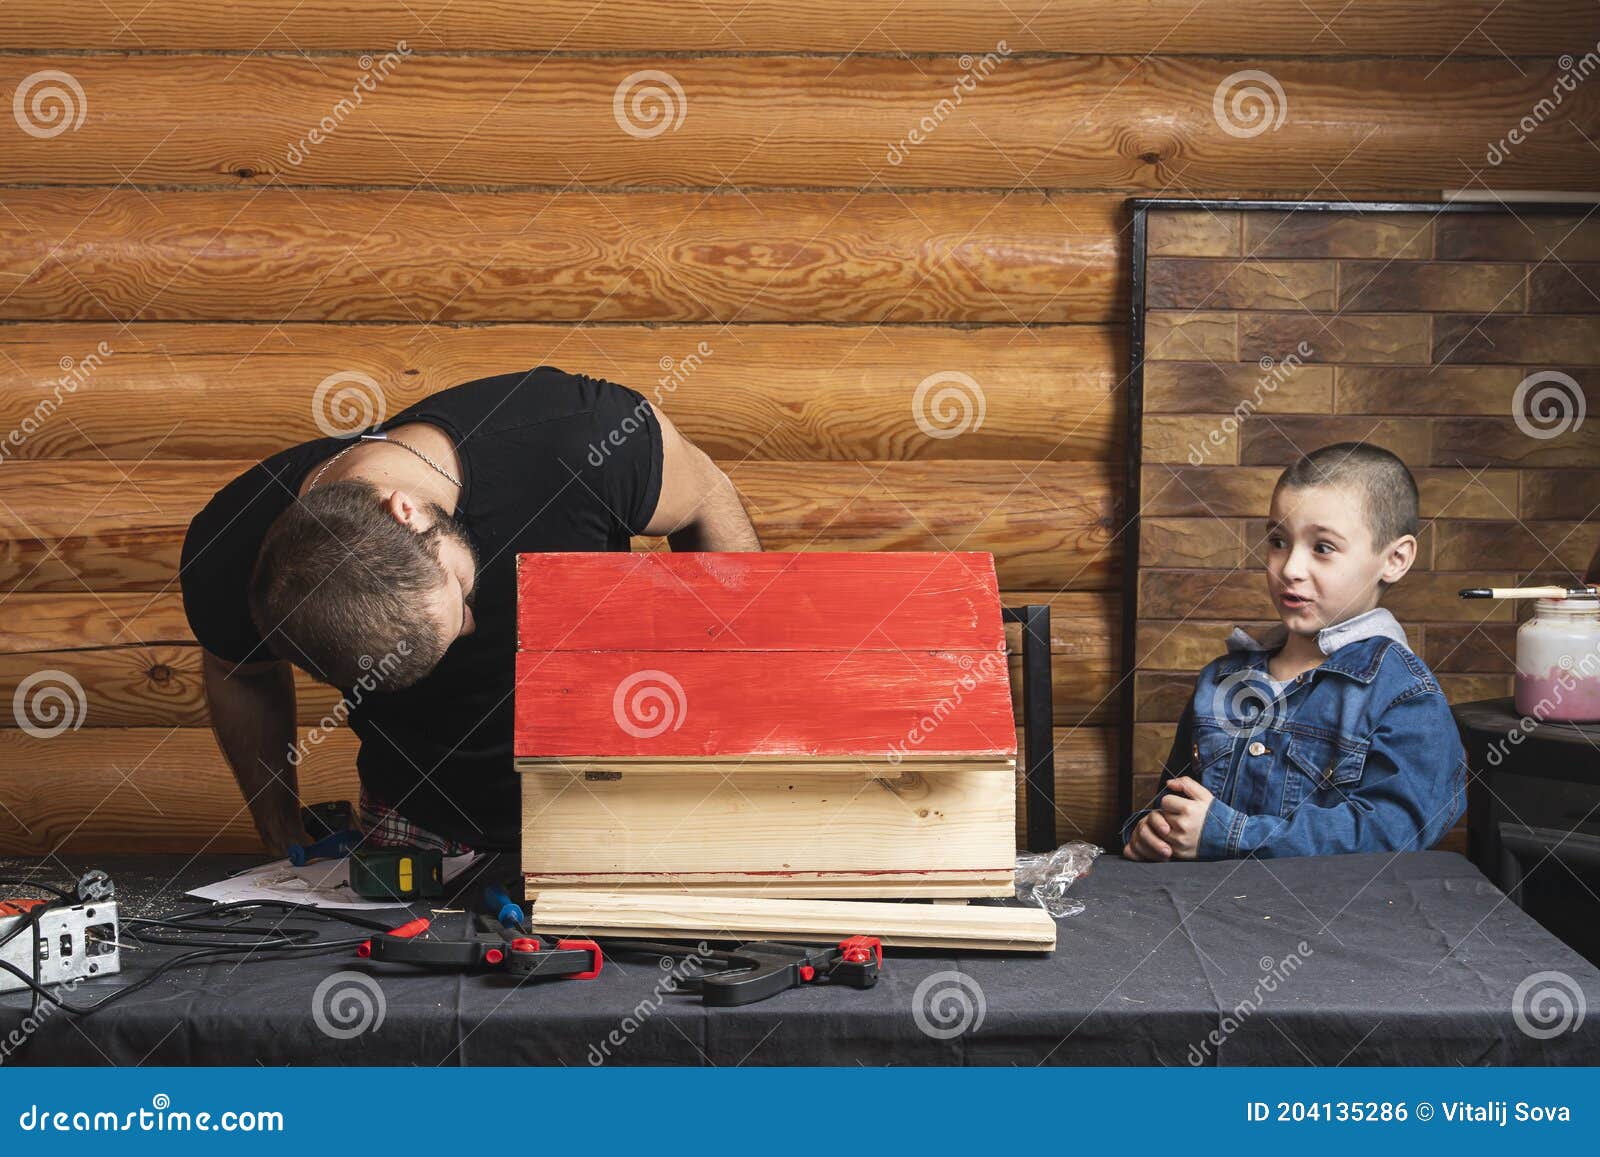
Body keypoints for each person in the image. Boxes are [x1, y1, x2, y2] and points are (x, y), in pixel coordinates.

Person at [180, 366, 760, 857]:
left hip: (617, 794)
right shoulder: (231, 550)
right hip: (418, 822)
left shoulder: (580, 435)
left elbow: (705, 497)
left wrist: (743, 720)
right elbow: (239, 672)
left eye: (459, 595)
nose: (474, 628)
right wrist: (280, 832)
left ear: (405, 510)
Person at [1122, 442, 1466, 861]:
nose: (1289, 569)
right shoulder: (1222, 679)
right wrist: (1152, 830)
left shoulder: (1404, 695)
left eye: (1322, 548)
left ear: (1394, 559)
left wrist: (1230, 836)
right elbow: (1176, 802)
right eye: (1279, 540)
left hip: (1330, 921)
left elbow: (1393, 835)